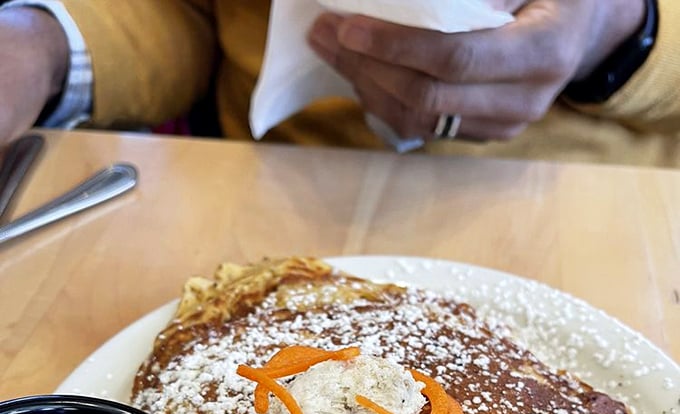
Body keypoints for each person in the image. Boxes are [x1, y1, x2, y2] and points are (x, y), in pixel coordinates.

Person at [0, 0, 678, 166]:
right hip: (267, 187)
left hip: (574, 203)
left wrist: (619, 30)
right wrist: (43, 41)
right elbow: (188, 16)